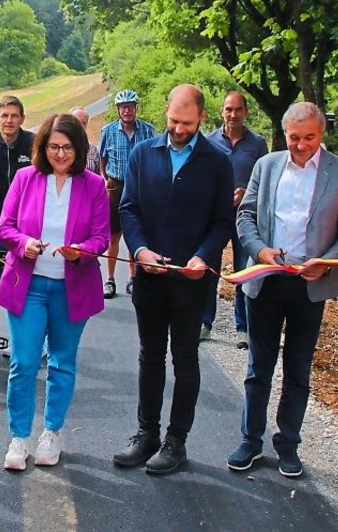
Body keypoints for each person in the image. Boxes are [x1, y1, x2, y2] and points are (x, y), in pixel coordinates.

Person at [227, 102, 338, 479]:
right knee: (258, 367)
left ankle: (288, 444)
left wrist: (327, 261)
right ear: (284, 135)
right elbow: (246, 215)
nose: (301, 145)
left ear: (322, 135)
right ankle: (250, 440)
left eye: (309, 138)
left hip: (310, 286)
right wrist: (259, 250)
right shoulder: (267, 166)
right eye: (293, 137)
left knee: (298, 368)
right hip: (266, 280)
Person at [112, 84, 234, 475]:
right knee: (150, 355)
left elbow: (222, 221)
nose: (178, 129)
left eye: (186, 123)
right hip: (149, 277)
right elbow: (128, 209)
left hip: (191, 280)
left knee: (184, 357)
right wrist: (140, 251)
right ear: (165, 111)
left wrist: (204, 256)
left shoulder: (217, 161)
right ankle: (146, 432)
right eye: (173, 121)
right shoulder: (142, 154)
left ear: (201, 118)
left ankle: (175, 440)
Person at [0, 114, 110, 471]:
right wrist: (24, 243)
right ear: (43, 148)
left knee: (62, 363)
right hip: (28, 286)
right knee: (24, 363)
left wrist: (81, 251)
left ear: (80, 149)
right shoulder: (25, 178)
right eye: (54, 147)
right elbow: (4, 228)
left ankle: (52, 432)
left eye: (68, 147)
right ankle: (18, 436)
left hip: (71, 288)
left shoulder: (93, 185)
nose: (61, 154)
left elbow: (101, 238)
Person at [201, 91, 268, 344]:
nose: (233, 114)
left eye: (238, 109)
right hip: (217, 217)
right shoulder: (208, 142)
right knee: (209, 269)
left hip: (245, 217)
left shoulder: (258, 144)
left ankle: (243, 327)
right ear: (222, 111)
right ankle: (205, 322)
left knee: (244, 270)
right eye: (229, 109)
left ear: (246, 112)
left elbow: (265, 180)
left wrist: (246, 194)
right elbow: (203, 180)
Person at [98, 89, 156, 298]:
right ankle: (110, 279)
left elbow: (156, 157)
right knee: (113, 235)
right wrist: (106, 180)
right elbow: (102, 157)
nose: (127, 110)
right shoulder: (108, 130)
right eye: (123, 107)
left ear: (135, 108)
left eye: (130, 106)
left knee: (135, 233)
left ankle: (133, 278)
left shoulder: (148, 131)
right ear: (118, 110)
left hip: (139, 185)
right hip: (116, 184)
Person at [69, 107, 101, 175]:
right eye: (76, 121)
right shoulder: (60, 148)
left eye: (83, 123)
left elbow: (98, 175)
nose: (80, 125)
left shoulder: (92, 149)